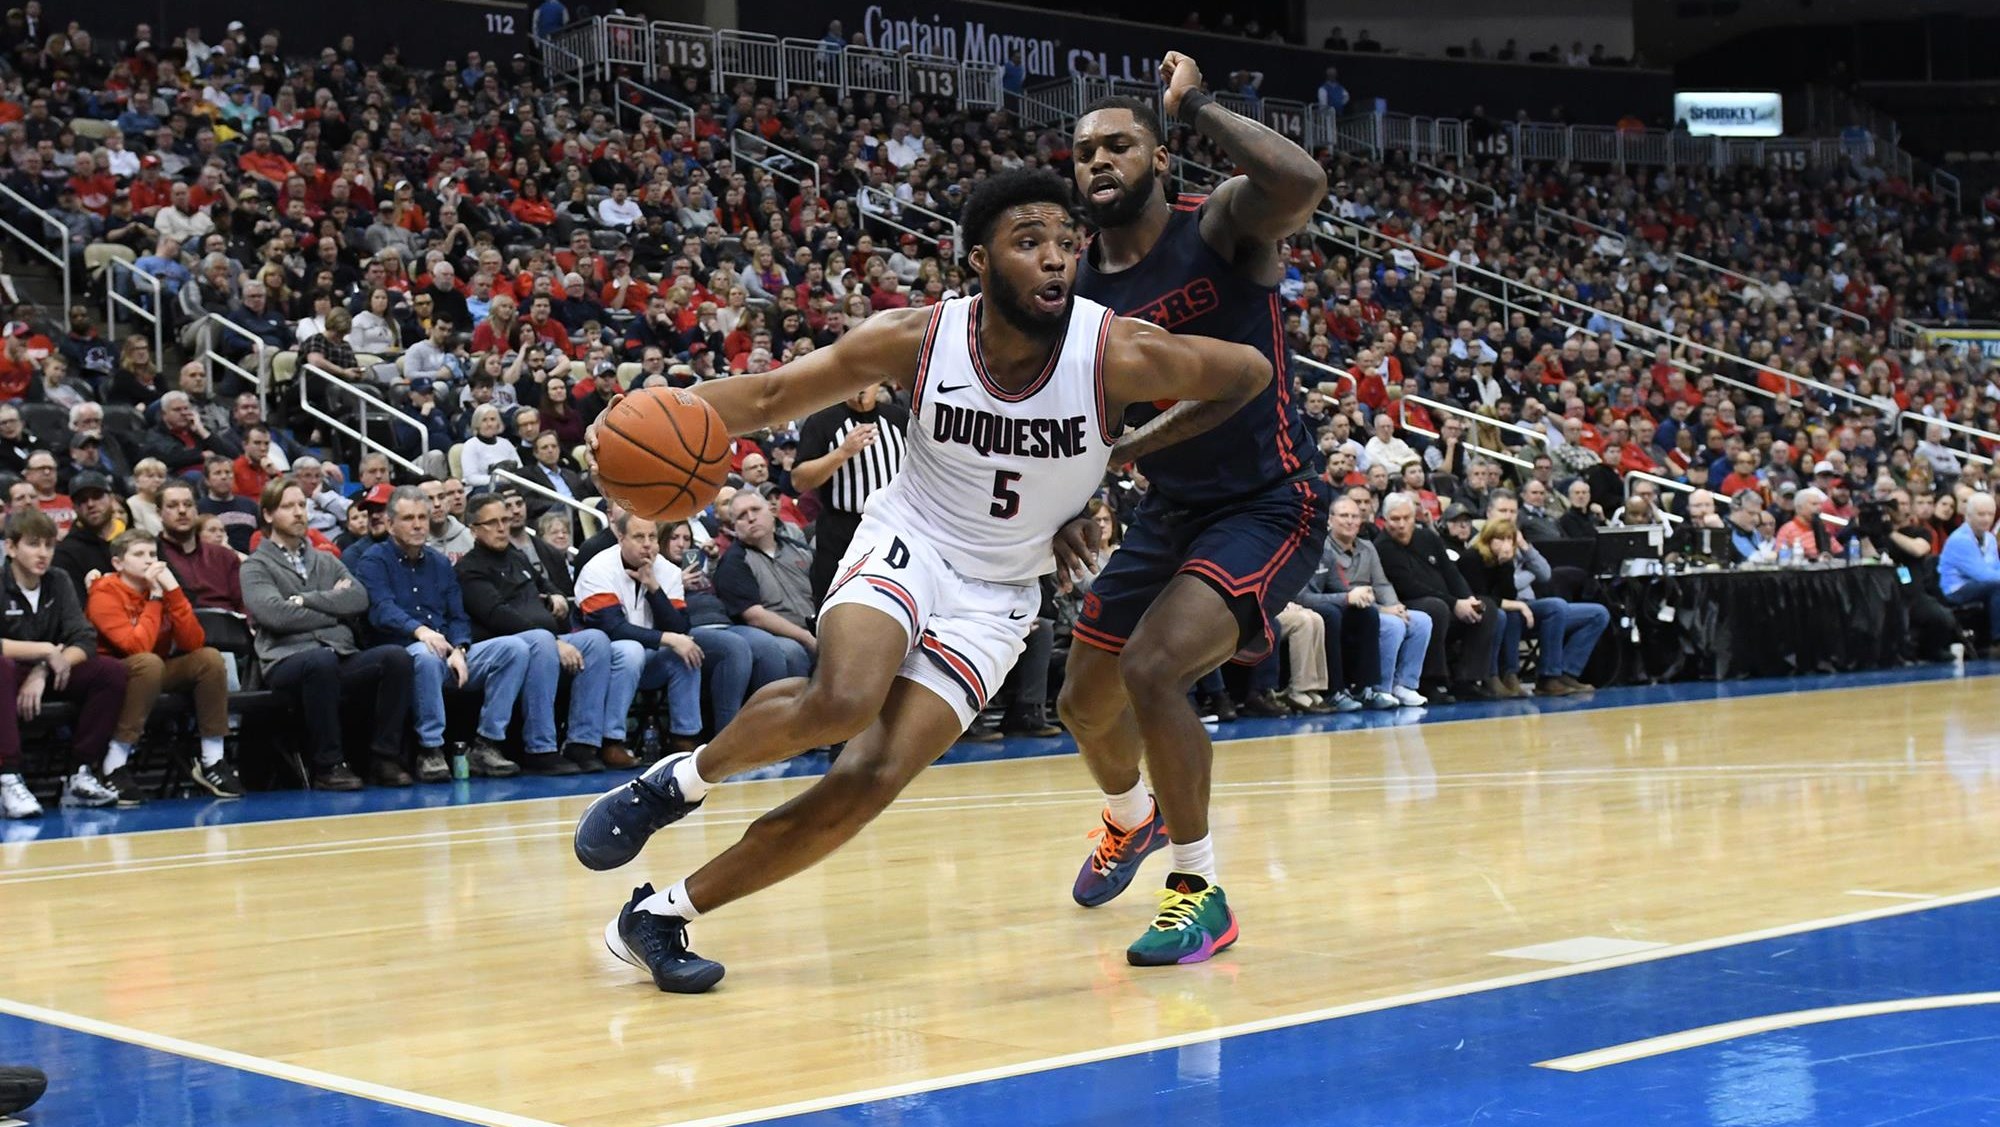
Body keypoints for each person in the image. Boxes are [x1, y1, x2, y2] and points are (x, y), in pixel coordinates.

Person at [571, 167, 1273, 990]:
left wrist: (1114, 460)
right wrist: (644, 412)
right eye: (1028, 242)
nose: (1054, 259)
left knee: (867, 781)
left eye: (1065, 244)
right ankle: (678, 782)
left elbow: (1247, 373)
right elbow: (768, 395)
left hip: (1003, 591)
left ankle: (658, 918)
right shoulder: (917, 336)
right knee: (843, 697)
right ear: (978, 260)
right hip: (914, 538)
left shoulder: (1116, 351)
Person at [1057, 57, 1331, 962]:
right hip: (1168, 510)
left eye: (1120, 144)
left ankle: (1198, 887)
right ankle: (1131, 817)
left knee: (1153, 669)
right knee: (1083, 705)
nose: (1099, 160)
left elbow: (1301, 181)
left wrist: (1198, 106)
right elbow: (1077, 420)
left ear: (1161, 158)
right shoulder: (1079, 296)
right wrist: (1069, 500)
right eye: (1085, 149)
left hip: (1268, 498)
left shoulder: (1218, 226)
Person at [356, 487, 554, 782]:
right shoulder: (374, 560)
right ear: (390, 522)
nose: (418, 524)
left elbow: (457, 615)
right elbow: (381, 609)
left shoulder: (438, 562)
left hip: (450, 650)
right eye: (409, 518)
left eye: (422, 517)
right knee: (425, 655)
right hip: (403, 650)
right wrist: (421, 632)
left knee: (515, 648)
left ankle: (487, 743)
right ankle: (431, 750)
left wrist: (460, 648)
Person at [241, 477, 413, 791]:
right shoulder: (255, 566)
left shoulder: (325, 558)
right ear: (267, 515)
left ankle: (384, 757)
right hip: (286, 660)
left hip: (338, 654)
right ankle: (329, 765)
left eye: (301, 505)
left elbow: (358, 599)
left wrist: (303, 600)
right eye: (287, 507)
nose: (298, 513)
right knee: (319, 661)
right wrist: (332, 608)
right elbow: (275, 616)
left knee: (396, 658)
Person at [457, 492, 644, 773]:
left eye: (504, 520)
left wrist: (555, 596)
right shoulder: (469, 568)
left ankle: (583, 742)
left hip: (548, 636)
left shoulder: (516, 557)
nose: (501, 527)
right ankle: (541, 747)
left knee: (595, 640)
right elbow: (497, 616)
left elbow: (546, 583)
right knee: (542, 641)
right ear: (473, 529)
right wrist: (556, 641)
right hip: (507, 644)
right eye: (492, 523)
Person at [87, 529, 238, 798]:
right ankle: (113, 764)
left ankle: (212, 759)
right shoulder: (104, 593)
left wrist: (174, 592)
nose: (149, 561)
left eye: (153, 554)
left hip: (154, 669)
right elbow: (136, 647)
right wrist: (156, 599)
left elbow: (193, 642)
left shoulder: (161, 589)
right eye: (139, 554)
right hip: (114, 674)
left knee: (209, 659)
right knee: (149, 662)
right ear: (118, 563)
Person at [0, 508, 131, 808]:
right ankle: (8, 777)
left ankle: (79, 773)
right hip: (8, 674)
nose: (43, 553)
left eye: (49, 544)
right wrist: (45, 650)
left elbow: (84, 638)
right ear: (10, 547)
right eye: (33, 544)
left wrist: (43, 669)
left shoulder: (58, 580)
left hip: (47, 673)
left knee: (109, 672)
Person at [574, 511, 707, 759]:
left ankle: (684, 737)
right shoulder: (598, 568)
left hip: (647, 658)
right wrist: (668, 639)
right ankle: (612, 740)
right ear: (621, 538)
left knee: (687, 649)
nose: (647, 544)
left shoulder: (666, 571)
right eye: (638, 537)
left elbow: (680, 627)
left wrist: (654, 588)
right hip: (602, 659)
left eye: (652, 537)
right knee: (631, 649)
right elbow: (612, 628)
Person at [1375, 493, 1501, 701]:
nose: (1402, 524)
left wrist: (1467, 599)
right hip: (1409, 605)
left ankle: (1467, 679)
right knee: (1434, 608)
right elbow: (1409, 587)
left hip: (1446, 603)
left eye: (1407, 518)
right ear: (1385, 520)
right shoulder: (1382, 547)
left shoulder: (1427, 537)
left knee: (1485, 606)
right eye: (1395, 519)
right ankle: (1430, 681)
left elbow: (1451, 572)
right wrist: (1454, 604)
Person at [793, 380, 908, 604]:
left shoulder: (898, 418)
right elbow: (799, 481)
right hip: (842, 529)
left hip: (895, 524)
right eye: (854, 379)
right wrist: (842, 452)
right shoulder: (822, 421)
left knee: (894, 599)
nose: (861, 385)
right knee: (838, 599)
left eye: (868, 379)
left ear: (880, 382)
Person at [1940, 492, 2000, 644]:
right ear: (1968, 515)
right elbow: (1982, 575)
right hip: (1956, 590)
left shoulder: (1990, 538)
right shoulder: (1960, 539)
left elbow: (1995, 568)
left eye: (1990, 514)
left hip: (1981, 585)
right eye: (1981, 514)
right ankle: (1997, 639)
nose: (1986, 519)